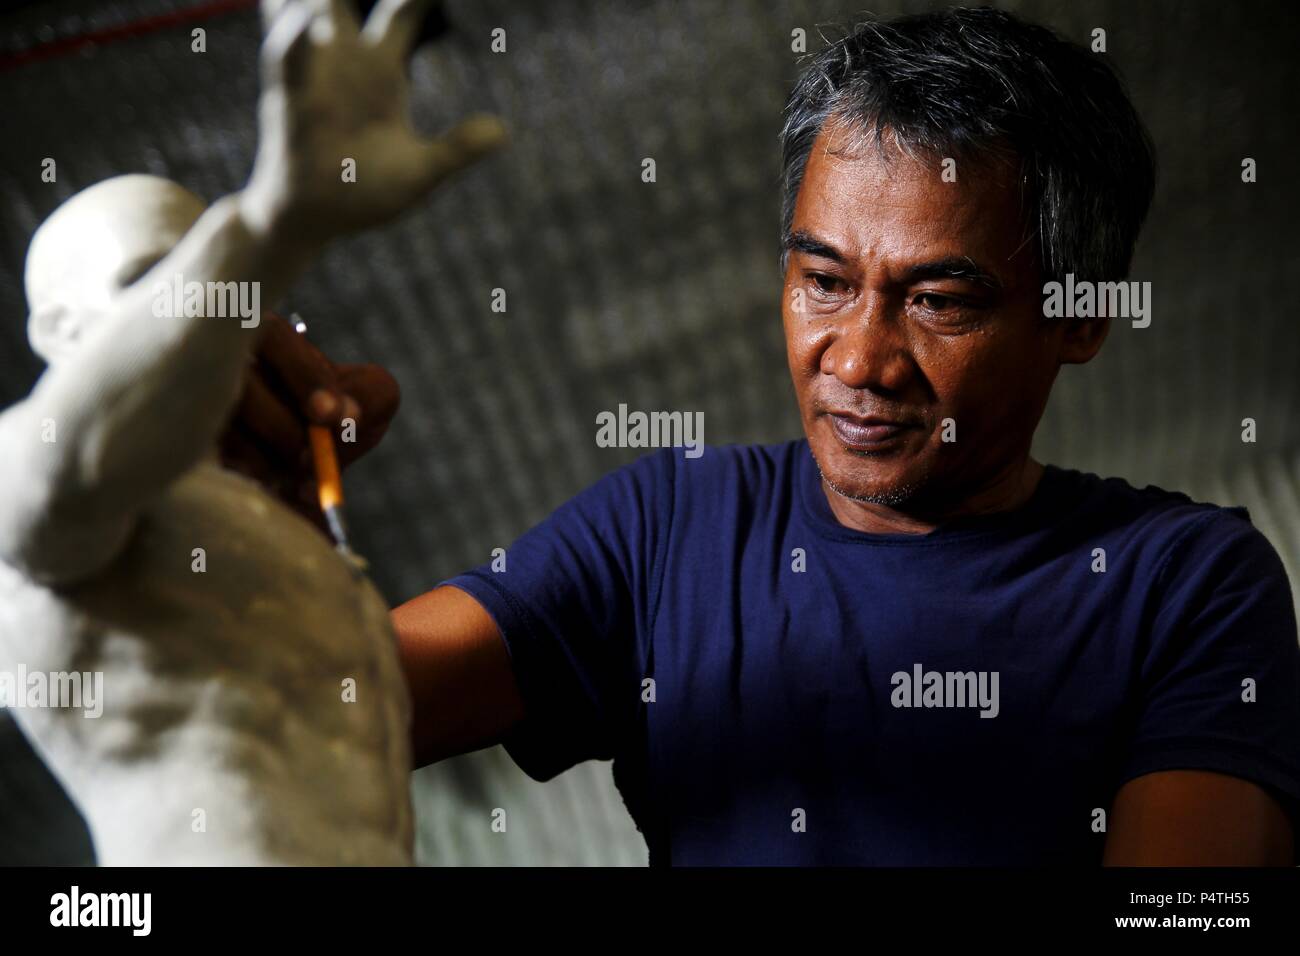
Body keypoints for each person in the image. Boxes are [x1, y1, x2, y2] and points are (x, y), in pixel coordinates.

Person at [234, 8, 1300, 865]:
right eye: (825, 281)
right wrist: (251, 523)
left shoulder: (1182, 583)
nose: (859, 358)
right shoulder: (669, 528)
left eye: (937, 299)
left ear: (1077, 316)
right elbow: (317, 714)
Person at [0, 0, 503, 863]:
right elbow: (71, 461)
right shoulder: (23, 460)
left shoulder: (277, 530)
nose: (211, 307)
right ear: (58, 329)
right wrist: (274, 221)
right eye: (149, 278)